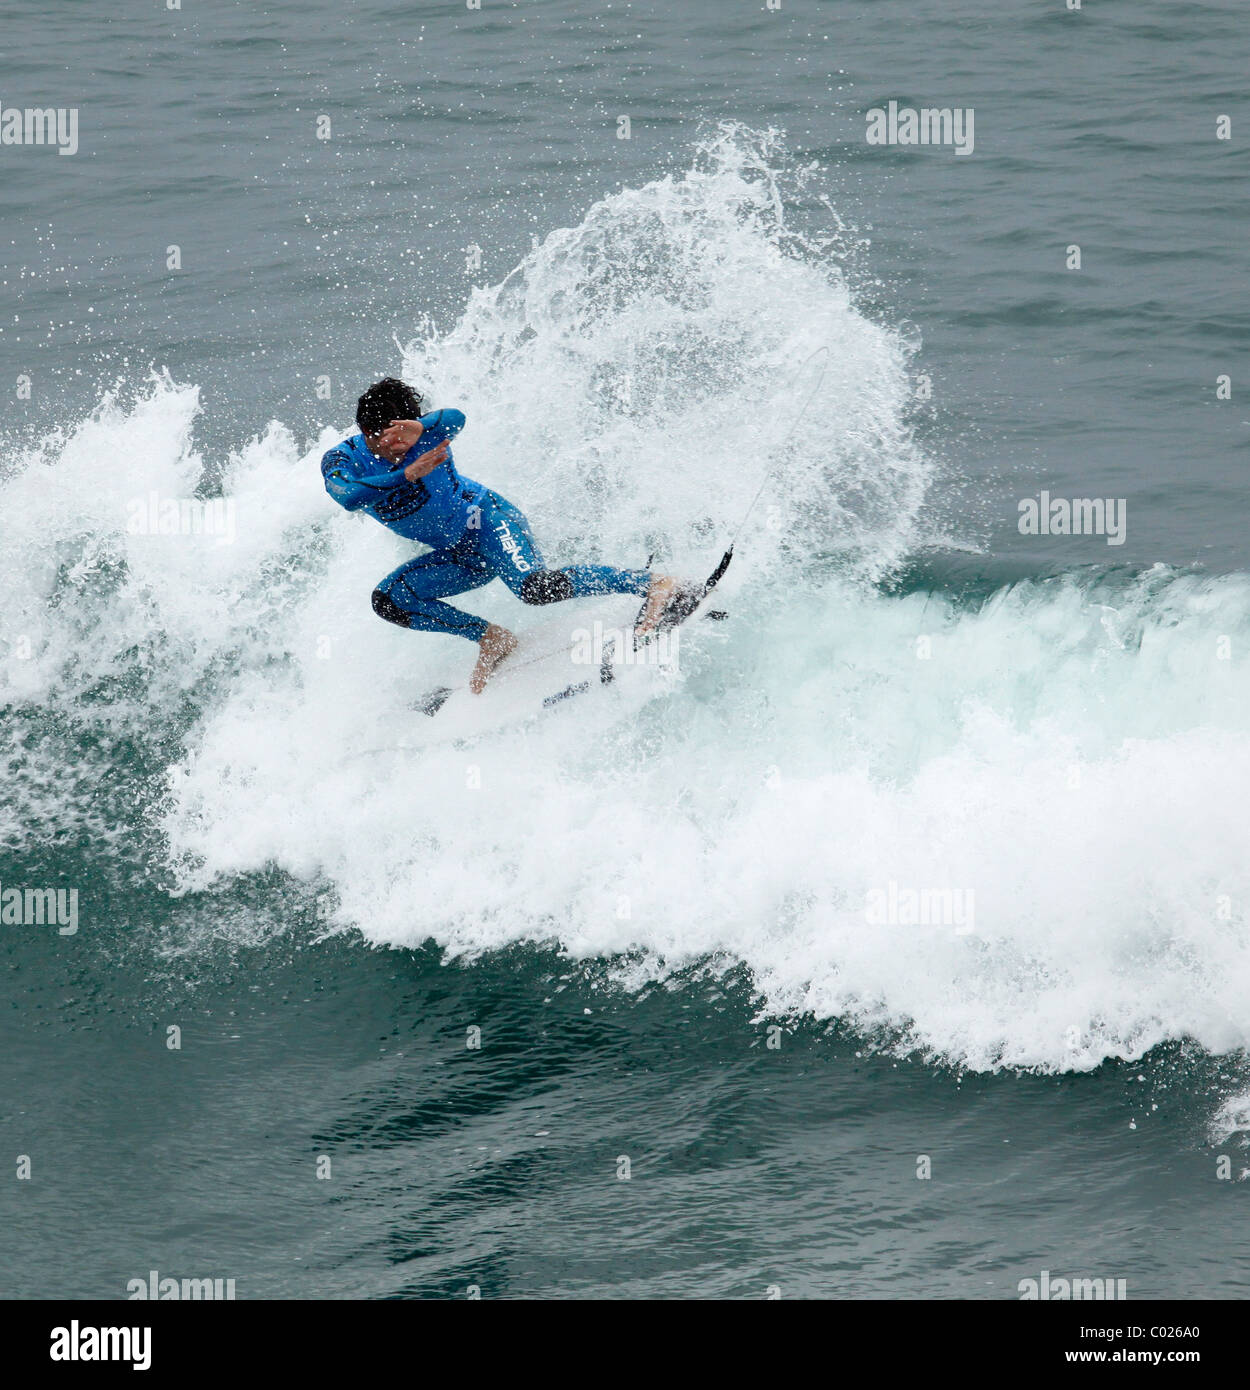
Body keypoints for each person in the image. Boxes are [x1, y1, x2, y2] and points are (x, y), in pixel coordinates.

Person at [321, 378, 679, 692]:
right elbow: (349, 497)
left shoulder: (428, 433)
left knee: (535, 589)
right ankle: (492, 639)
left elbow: (457, 417)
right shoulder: (343, 459)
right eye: (385, 439)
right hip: (458, 555)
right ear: (366, 433)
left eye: (403, 433)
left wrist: (420, 427)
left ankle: (653, 583)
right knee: (389, 601)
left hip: (490, 522)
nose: (397, 447)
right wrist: (406, 474)